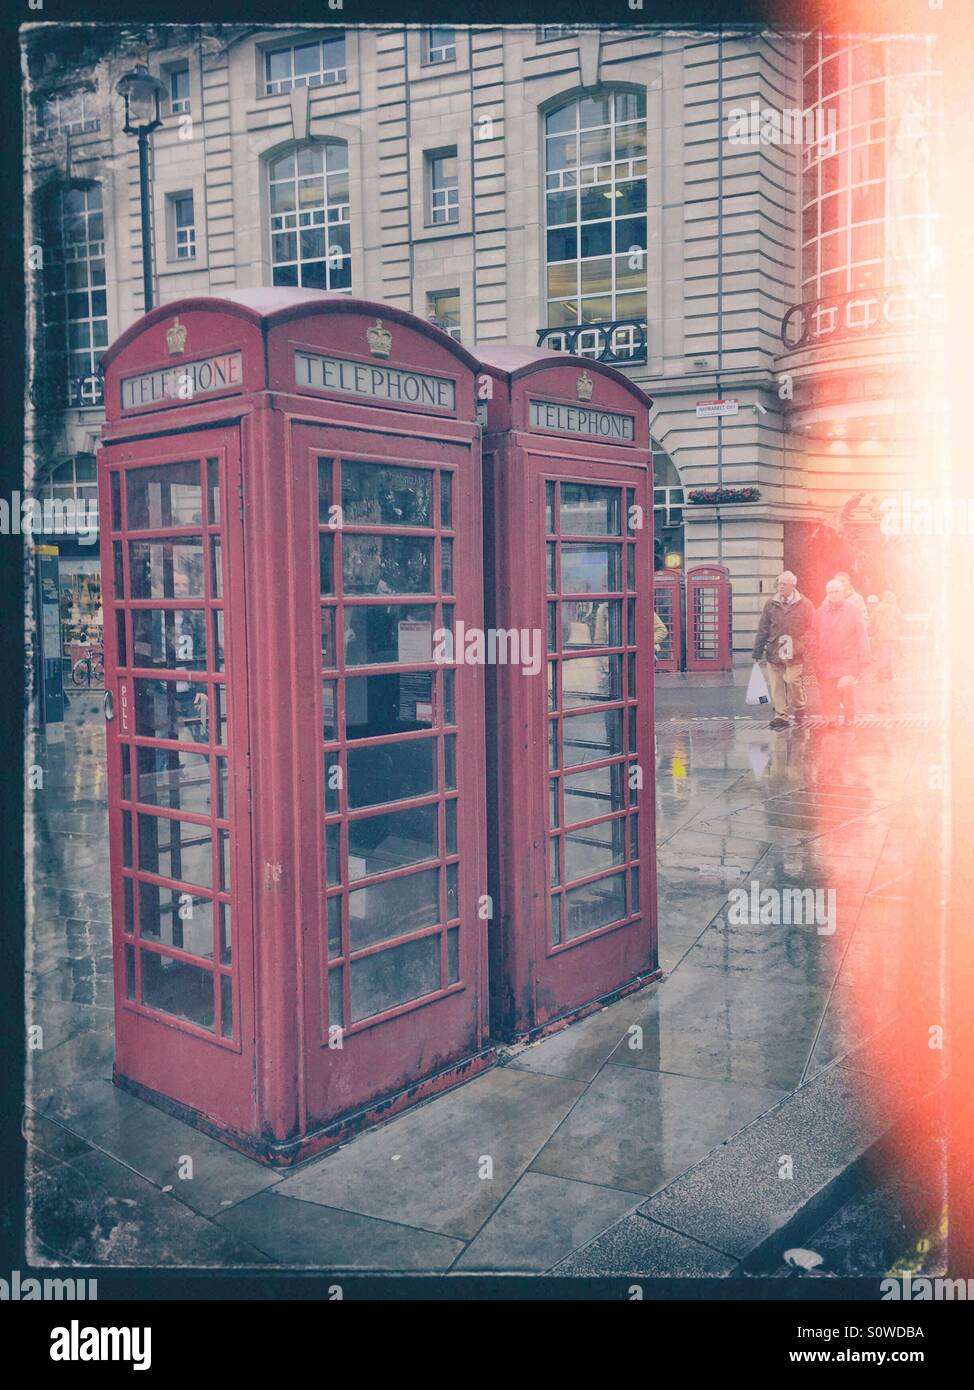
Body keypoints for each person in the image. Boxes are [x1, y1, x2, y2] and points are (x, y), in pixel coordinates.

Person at [751, 570, 815, 730]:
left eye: (783, 584)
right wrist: (757, 652)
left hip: (795, 652)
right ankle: (781, 716)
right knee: (777, 685)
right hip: (774, 650)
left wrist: (804, 645)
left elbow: (812, 628)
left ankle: (799, 706)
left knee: (792, 680)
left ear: (793, 586)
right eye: (778, 583)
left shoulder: (805, 604)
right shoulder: (770, 604)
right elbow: (763, 628)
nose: (780, 587)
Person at [811, 578, 870, 724]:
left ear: (843, 592)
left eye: (837, 591)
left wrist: (863, 660)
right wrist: (814, 654)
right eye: (831, 592)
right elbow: (812, 634)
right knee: (828, 691)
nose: (834, 594)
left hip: (848, 659)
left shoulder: (854, 611)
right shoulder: (820, 613)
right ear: (827, 593)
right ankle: (831, 719)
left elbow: (862, 635)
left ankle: (849, 716)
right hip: (826, 660)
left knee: (844, 686)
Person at [871, 589, 904, 682]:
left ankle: (888, 674)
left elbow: (871, 622)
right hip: (892, 636)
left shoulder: (877, 608)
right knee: (889, 656)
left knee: (883, 655)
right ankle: (881, 674)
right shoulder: (894, 609)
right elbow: (902, 620)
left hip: (880, 636)